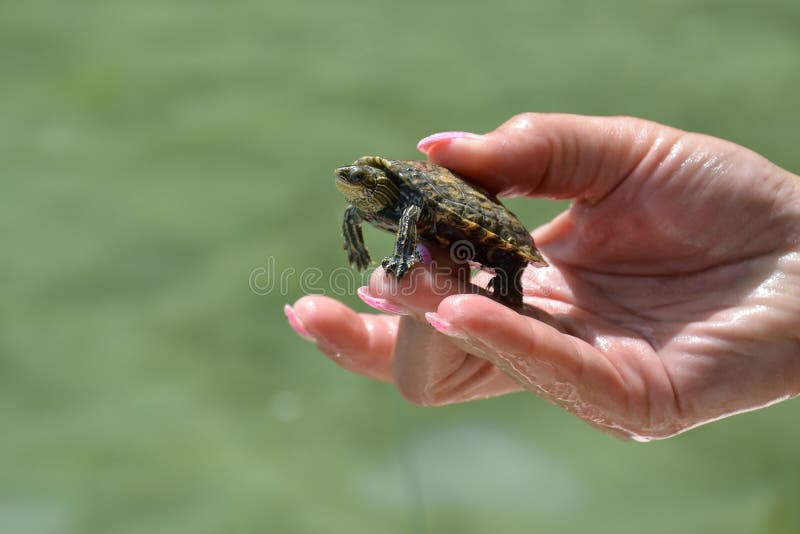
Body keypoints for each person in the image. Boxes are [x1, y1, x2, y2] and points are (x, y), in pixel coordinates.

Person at [284, 113, 800, 441]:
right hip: (445, 231)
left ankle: (503, 289)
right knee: (453, 301)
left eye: (358, 179)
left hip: (478, 228)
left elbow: (414, 218)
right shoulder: (371, 205)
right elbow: (368, 214)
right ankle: (494, 298)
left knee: (498, 270)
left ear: (377, 181)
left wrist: (401, 258)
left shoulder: (406, 197)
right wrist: (356, 238)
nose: (349, 183)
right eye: (350, 180)